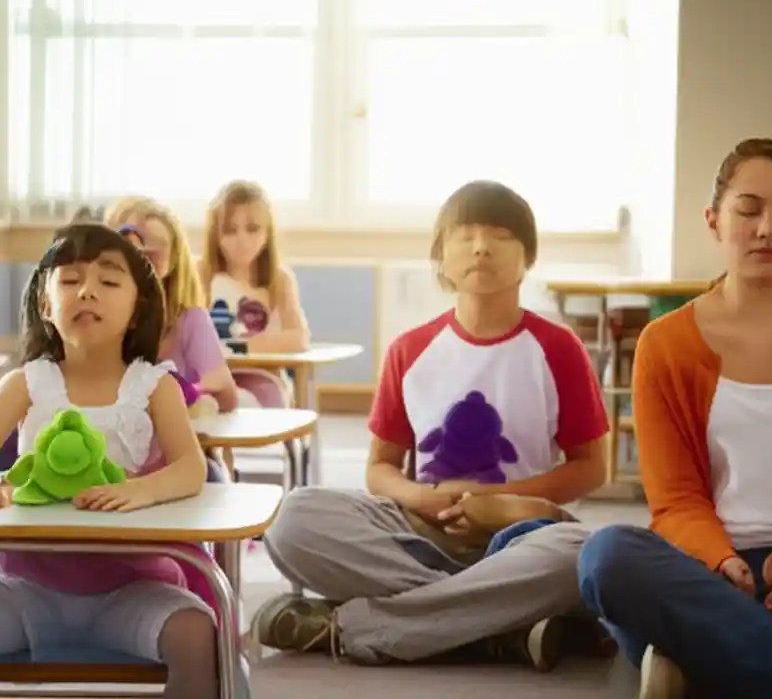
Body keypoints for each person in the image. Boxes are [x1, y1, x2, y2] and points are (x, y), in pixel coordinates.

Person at [578, 138, 772, 699]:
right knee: (608, 557)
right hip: (702, 573)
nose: (768, 228)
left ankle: (700, 662)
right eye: (748, 210)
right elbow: (674, 500)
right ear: (715, 221)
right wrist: (721, 562)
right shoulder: (665, 344)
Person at [251, 180, 610, 670]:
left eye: (501, 234)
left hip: (521, 531)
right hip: (418, 534)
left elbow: (592, 468)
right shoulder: (410, 349)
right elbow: (380, 468)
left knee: (584, 552)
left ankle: (359, 628)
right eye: (465, 234)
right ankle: (496, 626)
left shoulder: (558, 348)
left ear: (528, 257)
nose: (481, 246)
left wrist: (502, 503)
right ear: (441, 256)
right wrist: (418, 496)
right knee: (291, 518)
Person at [0, 224, 223, 699]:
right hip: (26, 587)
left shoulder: (155, 386)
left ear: (137, 309)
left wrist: (135, 490)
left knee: (197, 635)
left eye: (109, 282)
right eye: (70, 280)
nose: (88, 290)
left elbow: (191, 469)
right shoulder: (26, 383)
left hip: (133, 590)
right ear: (46, 305)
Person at [105, 196, 238, 411]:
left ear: (174, 257)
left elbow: (226, 393)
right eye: (133, 244)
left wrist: (186, 392)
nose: (146, 253)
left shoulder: (190, 319)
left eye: (158, 245)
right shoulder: (99, 317)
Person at [199, 180, 310, 354]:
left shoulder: (279, 278)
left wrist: (239, 347)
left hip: (264, 375)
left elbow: (299, 338)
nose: (242, 240)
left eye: (252, 229)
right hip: (213, 377)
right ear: (215, 235)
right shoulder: (201, 275)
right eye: (230, 230)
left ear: (267, 233)